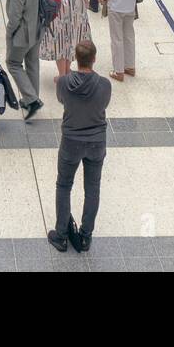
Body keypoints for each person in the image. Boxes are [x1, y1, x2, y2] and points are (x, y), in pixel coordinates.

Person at [48, 40, 111, 253]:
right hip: (96, 142)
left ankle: (61, 235)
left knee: (64, 185)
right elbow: (103, 104)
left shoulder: (64, 83)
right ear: (94, 59)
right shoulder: (104, 84)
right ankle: (85, 236)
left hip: (71, 142)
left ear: (75, 58)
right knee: (92, 188)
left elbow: (61, 100)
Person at [5, 0, 44, 120]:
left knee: (13, 63)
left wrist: (8, 34)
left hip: (22, 35)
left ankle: (31, 99)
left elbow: (14, 20)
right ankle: (33, 97)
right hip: (37, 29)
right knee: (32, 63)